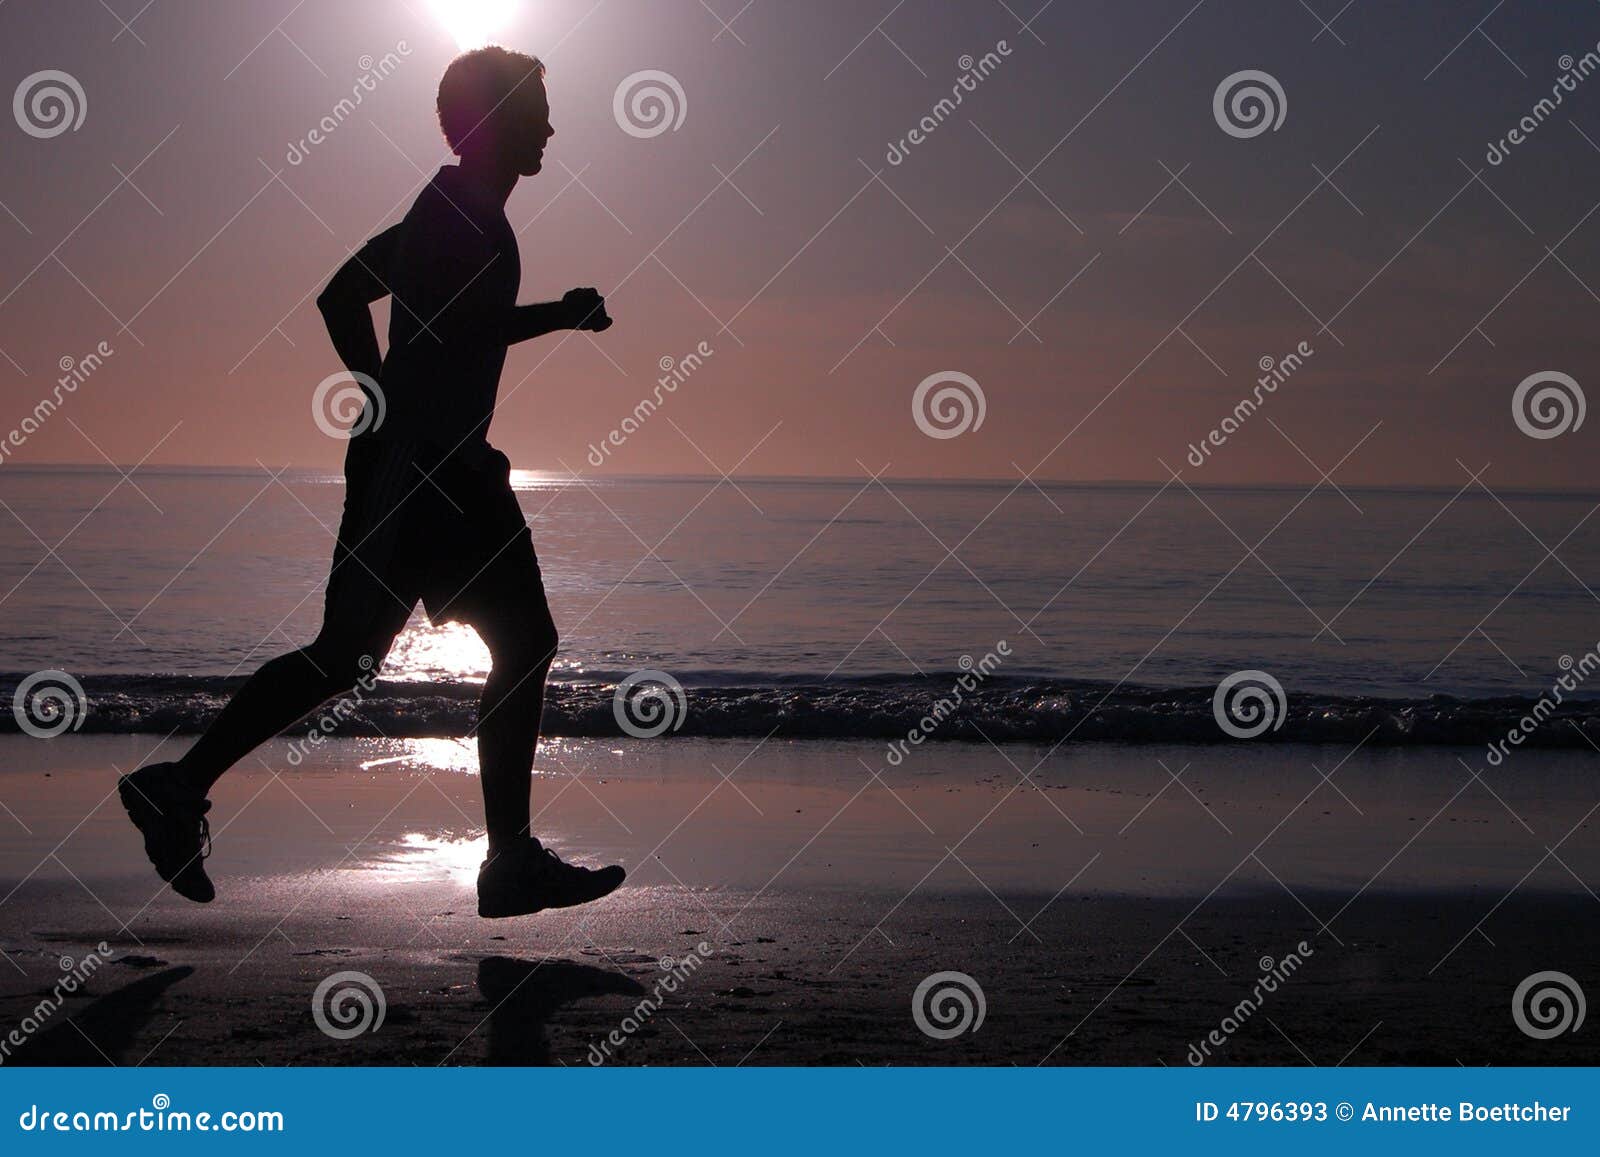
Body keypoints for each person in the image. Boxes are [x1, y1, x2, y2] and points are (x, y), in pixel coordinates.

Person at [118, 46, 625, 918]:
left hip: (442, 467)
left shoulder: (454, 209)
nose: (549, 124)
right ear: (493, 121)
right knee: (373, 654)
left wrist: (378, 387)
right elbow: (450, 325)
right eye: (535, 106)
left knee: (429, 649)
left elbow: (341, 296)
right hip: (422, 473)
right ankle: (501, 859)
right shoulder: (455, 213)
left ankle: (185, 786)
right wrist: (556, 317)